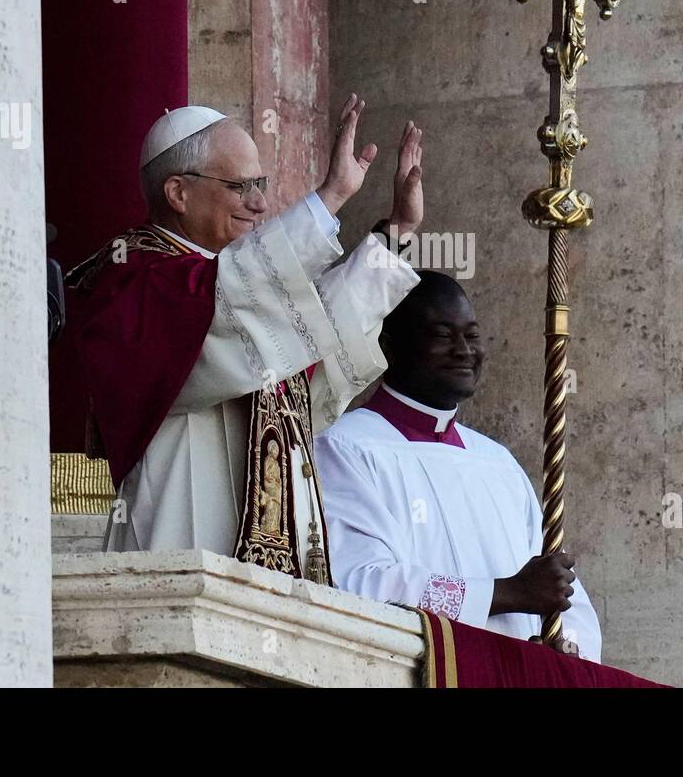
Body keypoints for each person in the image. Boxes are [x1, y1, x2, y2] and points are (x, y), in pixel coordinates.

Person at [66, 95, 422, 584]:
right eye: (240, 187)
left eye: (260, 185)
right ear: (178, 193)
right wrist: (331, 196)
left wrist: (395, 237)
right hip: (183, 535)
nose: (258, 203)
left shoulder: (248, 295)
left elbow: (320, 336)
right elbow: (225, 305)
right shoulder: (134, 276)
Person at [314, 271, 603, 659]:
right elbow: (359, 584)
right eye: (441, 335)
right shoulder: (346, 449)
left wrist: (567, 648)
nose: (464, 350)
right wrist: (507, 592)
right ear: (389, 347)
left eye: (472, 334)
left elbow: (561, 589)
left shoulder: (497, 462)